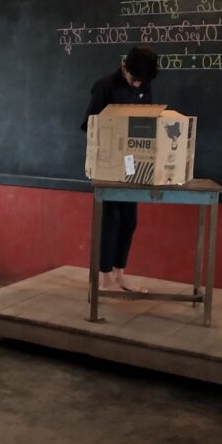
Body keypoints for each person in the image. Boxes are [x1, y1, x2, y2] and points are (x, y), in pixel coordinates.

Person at [81, 46, 159, 293]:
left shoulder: (144, 85)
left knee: (129, 220)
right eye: (134, 79)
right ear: (124, 67)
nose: (138, 85)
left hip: (133, 161)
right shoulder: (104, 86)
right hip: (107, 161)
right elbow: (89, 125)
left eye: (142, 81)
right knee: (111, 219)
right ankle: (103, 277)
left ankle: (119, 274)